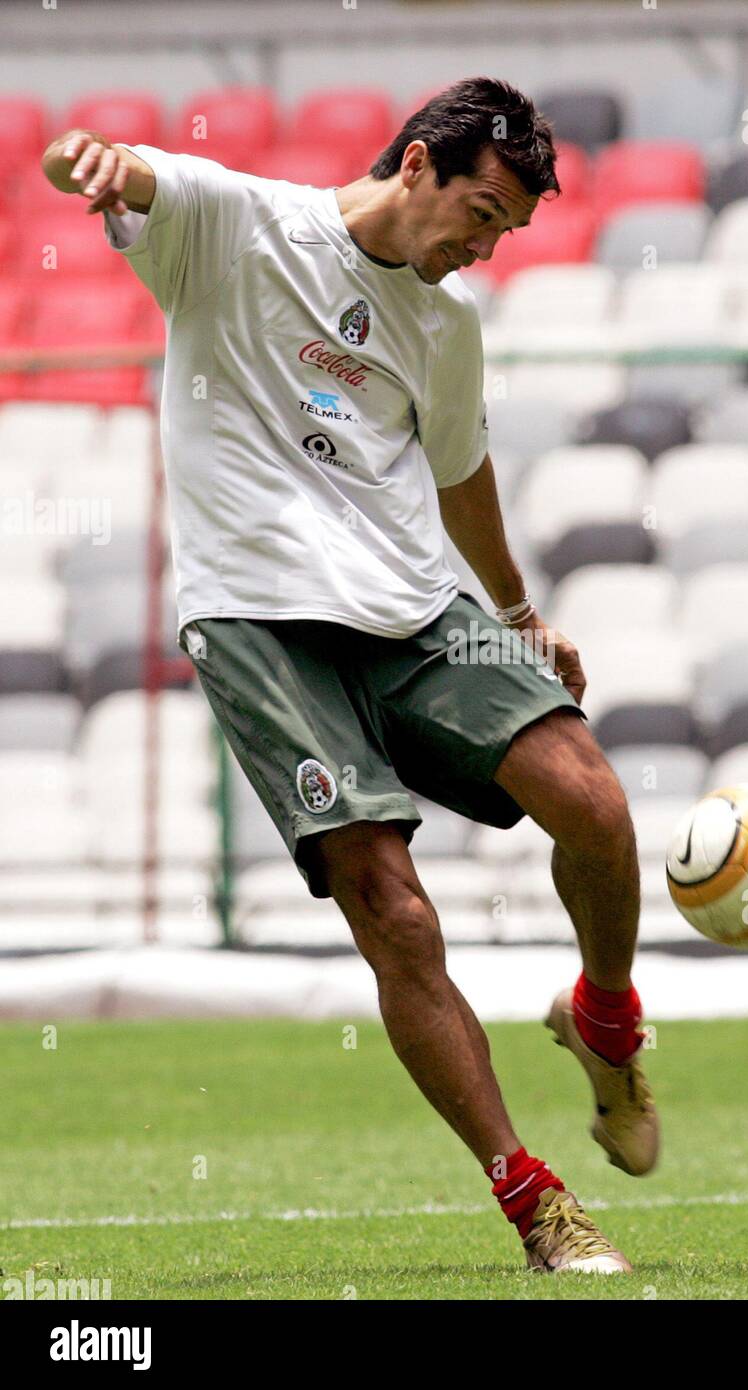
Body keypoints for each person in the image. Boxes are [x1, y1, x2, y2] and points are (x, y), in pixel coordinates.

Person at [41, 76, 659, 1274]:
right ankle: (535, 1201)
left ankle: (605, 1019)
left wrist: (520, 614)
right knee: (399, 913)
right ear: (419, 163)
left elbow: (461, 471)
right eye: (480, 212)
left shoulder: (446, 323)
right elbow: (111, 165)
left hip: (416, 604)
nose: (482, 247)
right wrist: (88, 162)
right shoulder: (236, 221)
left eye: (506, 232)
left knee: (594, 801)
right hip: (260, 622)